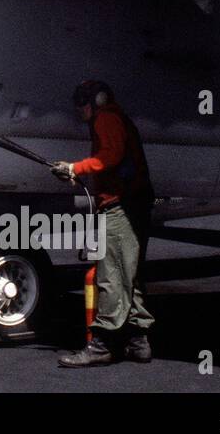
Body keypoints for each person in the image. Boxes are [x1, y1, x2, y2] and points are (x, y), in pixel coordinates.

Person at [51, 80, 155, 367]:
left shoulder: (105, 118)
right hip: (135, 204)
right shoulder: (117, 116)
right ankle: (138, 340)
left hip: (121, 208)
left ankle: (103, 345)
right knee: (130, 274)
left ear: (90, 103)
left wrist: (75, 168)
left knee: (111, 274)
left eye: (81, 106)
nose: (80, 113)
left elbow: (110, 155)